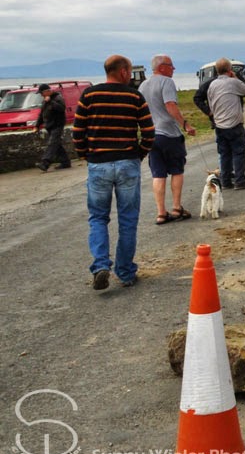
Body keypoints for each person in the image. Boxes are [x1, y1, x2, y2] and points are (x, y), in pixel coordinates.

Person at [72, 55, 155, 290]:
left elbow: (78, 132)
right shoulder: (134, 96)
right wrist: (138, 154)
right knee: (128, 220)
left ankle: (100, 266)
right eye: (128, 71)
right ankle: (126, 272)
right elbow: (148, 132)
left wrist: (86, 156)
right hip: (127, 162)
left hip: (98, 163)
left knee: (98, 217)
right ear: (123, 72)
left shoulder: (89, 95)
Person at [139, 55, 197, 224]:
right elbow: (170, 105)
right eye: (171, 66)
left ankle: (161, 213)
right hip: (169, 133)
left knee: (158, 174)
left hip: (151, 134)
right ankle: (177, 207)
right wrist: (185, 124)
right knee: (177, 170)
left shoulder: (143, 85)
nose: (173, 69)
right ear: (162, 67)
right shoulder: (166, 82)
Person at [207, 57, 245, 190]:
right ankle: (240, 181)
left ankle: (226, 181)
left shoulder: (212, 85)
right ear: (230, 70)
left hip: (219, 125)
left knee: (224, 154)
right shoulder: (233, 82)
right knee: (239, 152)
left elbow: (210, 104)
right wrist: (236, 77)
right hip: (234, 124)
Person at [34, 84, 71, 171]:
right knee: (56, 144)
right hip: (49, 126)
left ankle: (45, 163)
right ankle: (65, 162)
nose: (41, 95)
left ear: (47, 91)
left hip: (57, 125)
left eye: (41, 93)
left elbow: (61, 108)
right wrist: (37, 125)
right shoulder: (45, 101)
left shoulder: (58, 98)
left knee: (52, 143)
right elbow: (41, 115)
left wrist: (50, 101)